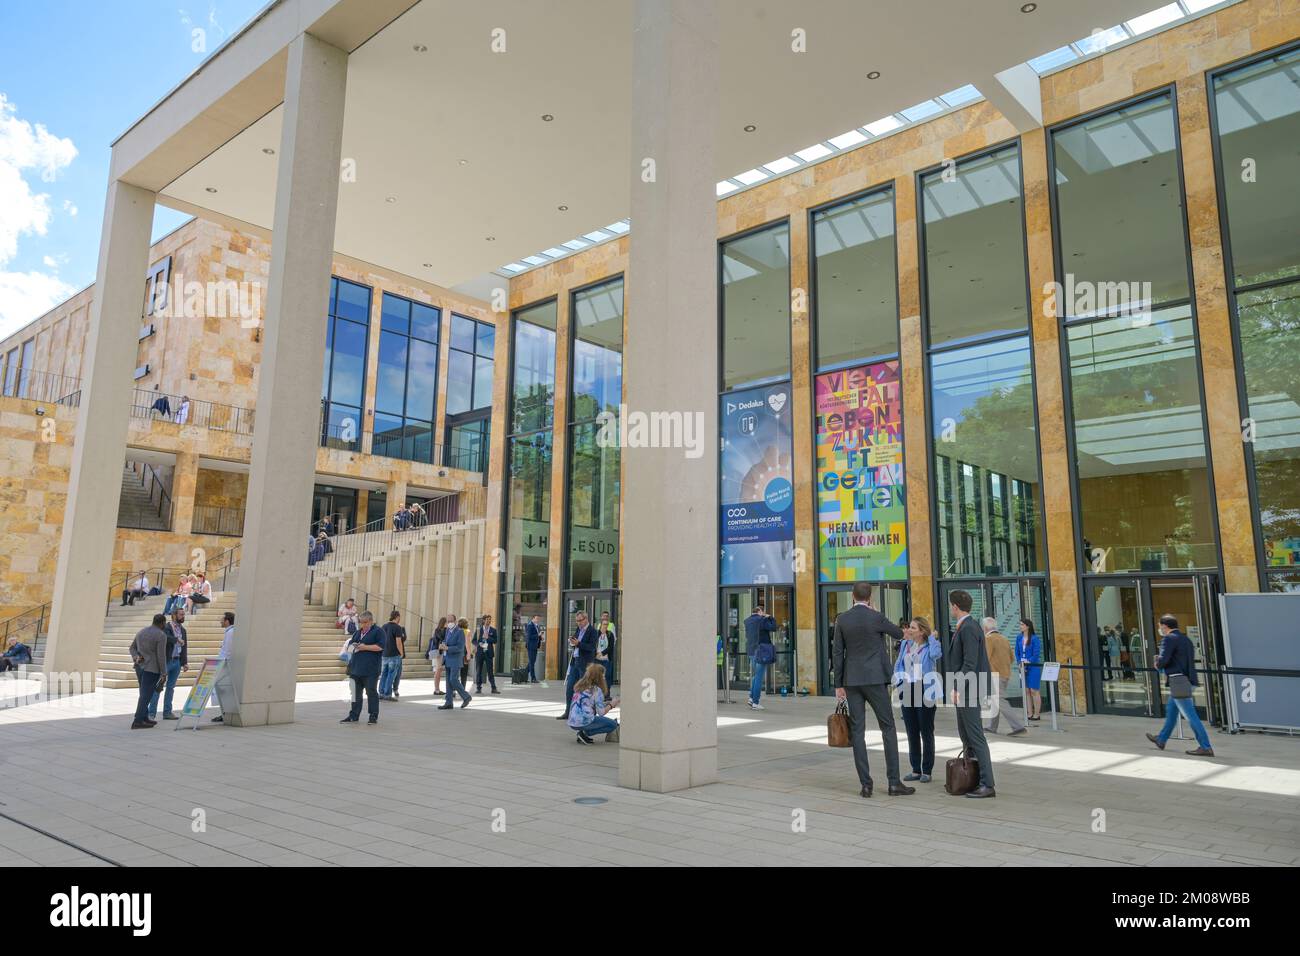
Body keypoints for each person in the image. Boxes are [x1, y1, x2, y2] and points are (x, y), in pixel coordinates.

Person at [833, 582, 913, 798]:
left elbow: (838, 652)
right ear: (870, 597)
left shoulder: (843, 619)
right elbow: (899, 633)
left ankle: (866, 785)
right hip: (876, 679)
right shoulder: (876, 617)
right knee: (888, 727)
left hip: (852, 680)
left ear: (852, 596)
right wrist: (877, 613)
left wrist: (838, 684)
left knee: (858, 731)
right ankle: (894, 783)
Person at [946, 590, 996, 798]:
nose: (950, 609)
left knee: (975, 737)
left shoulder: (967, 628)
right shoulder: (970, 626)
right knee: (966, 736)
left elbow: (969, 662)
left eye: (951, 606)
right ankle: (972, 778)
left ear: (955, 607)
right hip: (970, 688)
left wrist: (957, 686)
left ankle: (987, 783)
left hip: (970, 689)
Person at [1145, 615, 1214, 757]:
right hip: (1187, 680)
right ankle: (1161, 739)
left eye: (1160, 626)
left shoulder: (1168, 639)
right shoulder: (1185, 639)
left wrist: (1157, 663)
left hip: (1177, 681)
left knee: (1190, 716)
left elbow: (1164, 660)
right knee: (1171, 710)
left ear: (1165, 626)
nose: (1159, 629)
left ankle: (1205, 746)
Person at [892, 616, 942, 782]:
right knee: (911, 731)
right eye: (909, 628)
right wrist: (899, 684)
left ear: (921, 631)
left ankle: (927, 770)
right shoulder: (906, 645)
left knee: (926, 731)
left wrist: (933, 638)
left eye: (913, 628)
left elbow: (936, 655)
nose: (908, 630)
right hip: (907, 689)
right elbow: (898, 665)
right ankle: (915, 769)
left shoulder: (930, 646)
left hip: (925, 689)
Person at [982, 617, 1027, 737]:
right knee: (995, 700)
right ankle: (992, 726)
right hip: (1005, 674)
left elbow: (985, 657)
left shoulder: (988, 639)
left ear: (985, 628)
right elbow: (1012, 658)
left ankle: (1018, 726)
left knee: (998, 700)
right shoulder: (1004, 639)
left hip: (994, 674)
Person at [341, 611, 383, 724]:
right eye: (361, 622)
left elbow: (380, 647)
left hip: (370, 669)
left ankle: (373, 716)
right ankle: (354, 715)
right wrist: (352, 647)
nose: (362, 625)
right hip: (355, 668)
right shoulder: (358, 632)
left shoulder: (378, 631)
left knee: (371, 693)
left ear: (371, 621)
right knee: (355, 693)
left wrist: (365, 647)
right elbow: (351, 646)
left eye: (365, 622)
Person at [128, 614, 168, 729]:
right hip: (152, 669)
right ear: (162, 623)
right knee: (146, 695)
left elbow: (132, 648)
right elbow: (161, 656)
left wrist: (136, 657)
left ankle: (144, 718)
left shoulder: (141, 631)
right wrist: (164, 672)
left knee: (143, 694)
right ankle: (138, 720)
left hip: (139, 666)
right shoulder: (161, 635)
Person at [148, 607, 189, 720]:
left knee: (171, 688)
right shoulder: (166, 627)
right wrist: (176, 640)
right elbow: (165, 637)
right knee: (158, 687)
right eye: (181, 614)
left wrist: (184, 662)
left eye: (183, 615)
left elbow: (184, 646)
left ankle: (167, 712)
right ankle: (151, 713)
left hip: (177, 662)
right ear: (174, 615)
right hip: (166, 661)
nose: (183, 617)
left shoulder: (183, 630)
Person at [558, 611, 597, 720]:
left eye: (580, 620)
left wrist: (578, 644)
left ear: (586, 619)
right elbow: (575, 642)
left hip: (585, 664)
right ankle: (568, 712)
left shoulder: (592, 631)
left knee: (585, 690)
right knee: (570, 688)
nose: (579, 623)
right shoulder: (578, 630)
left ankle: (588, 712)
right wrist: (572, 641)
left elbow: (591, 647)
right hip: (575, 662)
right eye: (577, 621)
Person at [568, 663, 620, 744]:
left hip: (572, 721)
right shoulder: (596, 690)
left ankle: (582, 734)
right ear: (598, 677)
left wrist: (605, 703)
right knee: (613, 724)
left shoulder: (580, 686)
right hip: (583, 721)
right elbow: (601, 713)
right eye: (603, 676)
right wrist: (612, 705)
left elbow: (587, 703)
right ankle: (584, 733)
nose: (604, 678)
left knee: (595, 718)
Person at [744, 603, 778, 710]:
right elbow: (774, 627)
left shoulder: (747, 621)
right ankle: (755, 702)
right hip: (761, 651)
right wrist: (770, 617)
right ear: (760, 612)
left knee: (755, 675)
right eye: (762, 612)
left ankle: (751, 697)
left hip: (751, 651)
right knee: (759, 677)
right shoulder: (762, 620)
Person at [438, 617, 473, 710]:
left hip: (456, 660)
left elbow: (460, 648)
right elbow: (446, 641)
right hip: (448, 659)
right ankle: (449, 702)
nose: (449, 623)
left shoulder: (460, 632)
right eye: (448, 621)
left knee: (453, 680)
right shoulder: (447, 631)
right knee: (448, 682)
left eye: (451, 621)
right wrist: (443, 645)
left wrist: (448, 648)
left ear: (455, 621)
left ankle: (466, 696)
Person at [1015, 618, 1043, 721]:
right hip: (1022, 667)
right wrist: (1019, 663)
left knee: (1034, 690)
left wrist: (1028, 661)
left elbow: (1036, 654)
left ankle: (1037, 713)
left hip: (1033, 667)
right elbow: (1017, 652)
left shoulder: (1035, 639)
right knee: (1026, 690)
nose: (1020, 626)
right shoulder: (1019, 637)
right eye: (1020, 624)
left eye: (1022, 625)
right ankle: (1029, 713)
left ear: (1028, 626)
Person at [211, 611, 235, 722]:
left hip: (225, 665)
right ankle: (224, 712)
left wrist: (220, 664)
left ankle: (225, 712)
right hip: (224, 664)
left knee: (223, 690)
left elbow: (227, 652)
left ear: (227, 621)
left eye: (222, 619)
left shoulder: (230, 633)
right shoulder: (229, 631)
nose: (220, 621)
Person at [378, 610, 406, 701]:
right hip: (394, 655)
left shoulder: (384, 626)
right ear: (397, 617)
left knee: (384, 674)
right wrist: (401, 653)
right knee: (391, 675)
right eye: (399, 618)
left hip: (384, 654)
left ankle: (381, 693)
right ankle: (387, 694)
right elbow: (398, 642)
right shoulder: (397, 628)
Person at [474, 613, 499, 694]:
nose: (489, 621)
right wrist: (479, 644)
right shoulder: (479, 630)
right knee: (479, 670)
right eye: (487, 619)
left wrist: (488, 638)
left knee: (490, 671)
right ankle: (478, 688)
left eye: (490, 620)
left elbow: (495, 641)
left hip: (489, 653)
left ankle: (493, 688)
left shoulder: (493, 630)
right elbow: (474, 640)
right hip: (480, 653)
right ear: (483, 620)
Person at [595, 616, 615, 690]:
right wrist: (596, 653)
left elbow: (610, 647)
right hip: (597, 659)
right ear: (601, 625)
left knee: (607, 677)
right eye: (604, 624)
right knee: (597, 677)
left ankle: (607, 694)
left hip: (606, 659)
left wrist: (602, 653)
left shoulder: (610, 634)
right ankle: (597, 694)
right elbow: (592, 645)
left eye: (607, 624)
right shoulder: (596, 634)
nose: (606, 626)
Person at [429, 615, 448, 694]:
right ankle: (437, 690)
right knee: (438, 670)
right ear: (444, 623)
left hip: (439, 653)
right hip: (438, 653)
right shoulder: (440, 630)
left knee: (438, 671)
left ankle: (437, 689)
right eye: (447, 622)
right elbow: (441, 639)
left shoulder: (439, 630)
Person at [524, 613, 542, 683]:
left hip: (535, 646)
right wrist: (538, 635)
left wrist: (540, 637)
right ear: (533, 618)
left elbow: (536, 636)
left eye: (538, 619)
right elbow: (529, 637)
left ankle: (523, 675)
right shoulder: (530, 625)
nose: (538, 620)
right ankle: (533, 678)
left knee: (532, 662)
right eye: (536, 618)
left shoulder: (536, 626)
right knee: (532, 662)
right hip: (531, 646)